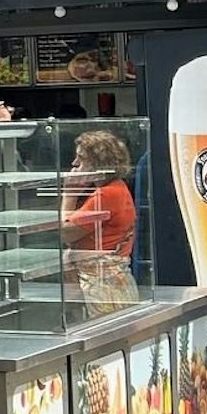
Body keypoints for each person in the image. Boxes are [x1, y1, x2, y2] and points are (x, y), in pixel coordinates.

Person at [61, 129, 139, 312]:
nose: (74, 164)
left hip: (103, 286)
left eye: (81, 158)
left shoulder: (107, 194)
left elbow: (65, 232)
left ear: (98, 163)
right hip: (106, 283)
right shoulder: (116, 188)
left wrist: (70, 194)